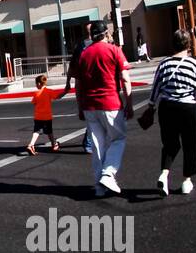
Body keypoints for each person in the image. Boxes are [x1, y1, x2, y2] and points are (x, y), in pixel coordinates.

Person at [146, 30, 196, 195]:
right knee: (190, 145)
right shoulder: (193, 64)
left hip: (166, 108)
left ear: (172, 44)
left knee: (170, 144)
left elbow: (155, 90)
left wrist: (151, 107)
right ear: (188, 45)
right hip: (187, 108)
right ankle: (186, 181)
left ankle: (164, 173)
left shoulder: (164, 64)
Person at [73, 20, 132, 197]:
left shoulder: (84, 54)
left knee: (98, 146)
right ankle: (108, 173)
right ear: (106, 33)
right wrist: (129, 103)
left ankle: (100, 185)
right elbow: (125, 79)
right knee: (118, 139)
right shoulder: (115, 50)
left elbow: (78, 85)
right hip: (110, 103)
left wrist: (80, 107)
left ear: (92, 35)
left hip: (90, 106)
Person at [64, 22, 94, 154]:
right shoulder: (81, 47)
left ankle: (91, 140)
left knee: (94, 114)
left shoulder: (97, 44)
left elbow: (71, 67)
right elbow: (72, 67)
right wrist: (68, 82)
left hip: (92, 83)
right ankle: (88, 141)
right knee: (92, 114)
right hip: (84, 83)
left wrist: (68, 82)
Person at [25, 74, 66, 154]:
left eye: (36, 83)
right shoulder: (49, 91)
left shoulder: (36, 93)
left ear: (39, 83)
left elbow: (34, 103)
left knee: (36, 131)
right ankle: (54, 144)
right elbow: (58, 96)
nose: (36, 85)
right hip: (47, 116)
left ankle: (31, 145)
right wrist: (65, 92)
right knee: (49, 131)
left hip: (38, 116)